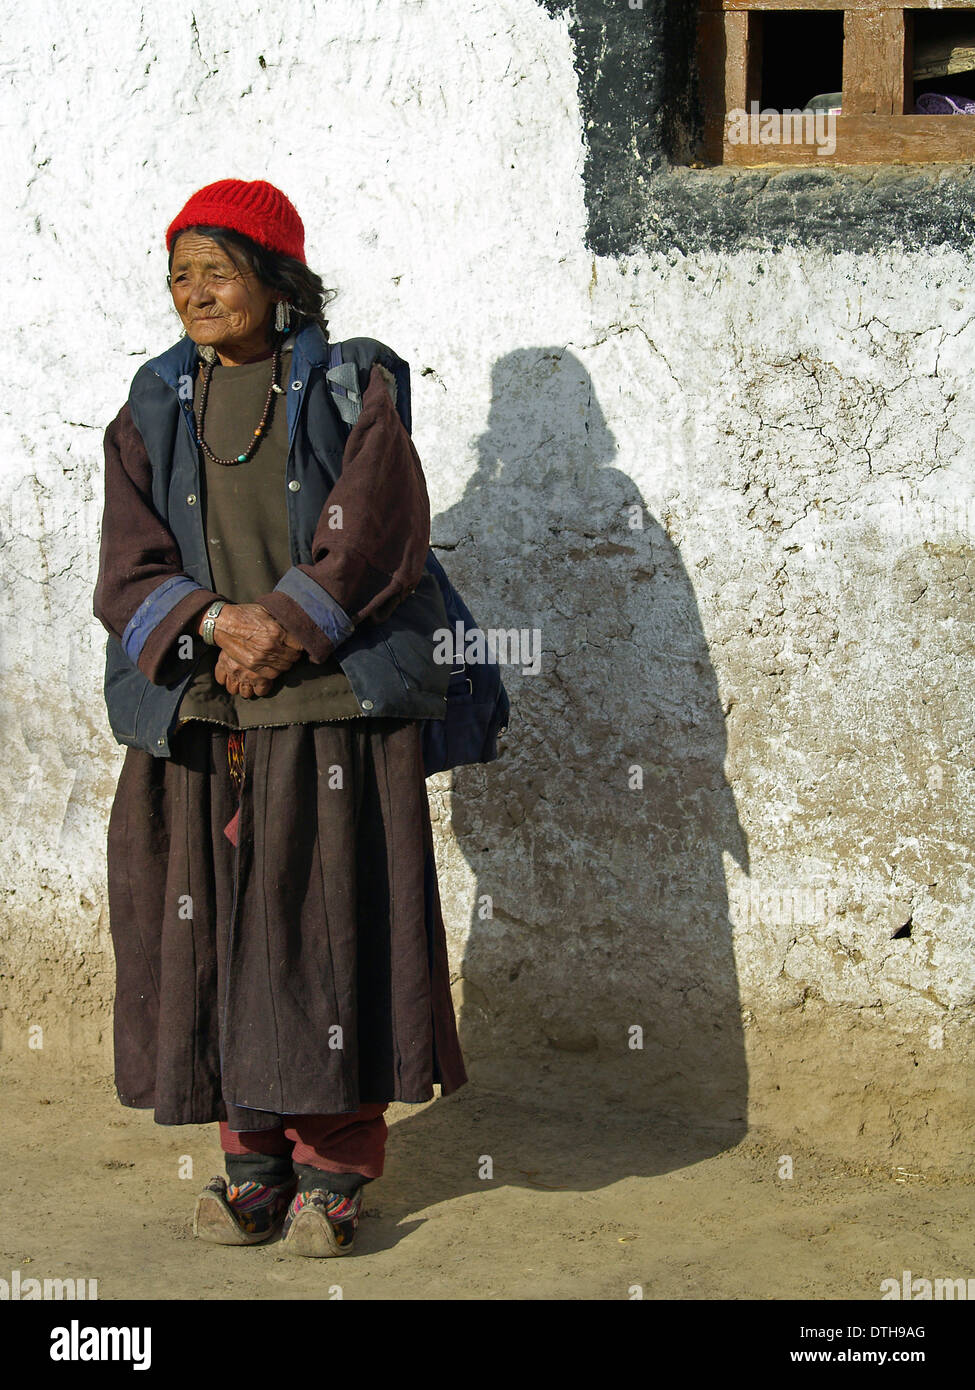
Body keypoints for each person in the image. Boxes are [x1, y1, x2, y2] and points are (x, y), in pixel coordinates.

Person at [93, 178, 468, 1257]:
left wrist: (288, 625)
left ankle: (334, 1172)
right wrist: (217, 625)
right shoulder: (155, 400)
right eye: (179, 275)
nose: (194, 293)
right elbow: (126, 564)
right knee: (207, 937)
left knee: (328, 936)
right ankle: (252, 1165)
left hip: (326, 710)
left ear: (277, 281)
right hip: (205, 711)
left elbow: (377, 525)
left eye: (217, 271)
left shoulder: (352, 385)